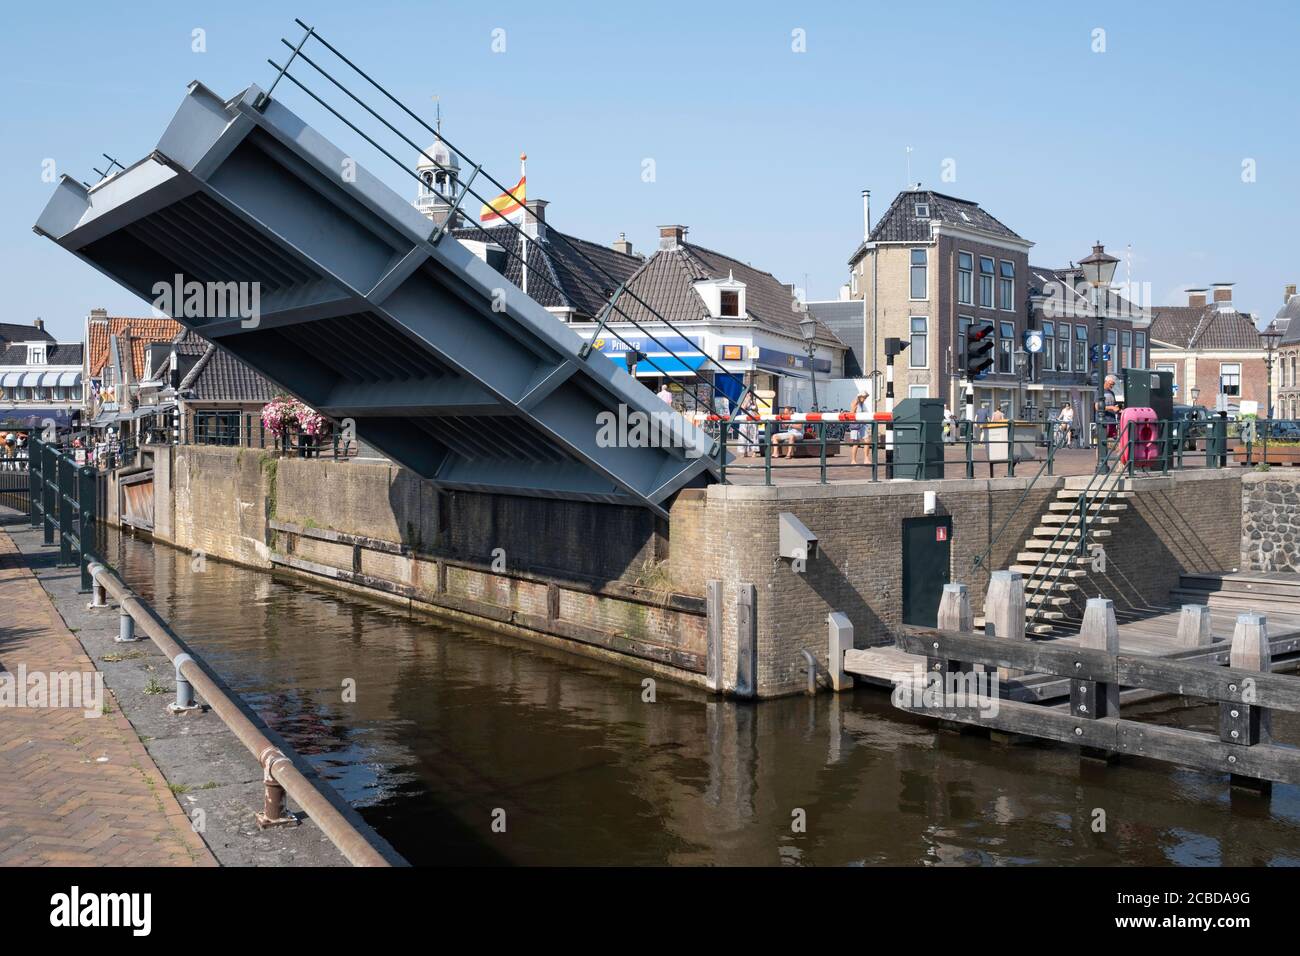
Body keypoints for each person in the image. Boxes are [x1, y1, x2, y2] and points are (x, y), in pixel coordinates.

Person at [849, 391, 869, 464]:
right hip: (856, 425)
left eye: (866, 397)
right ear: (860, 396)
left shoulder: (862, 404)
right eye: (864, 397)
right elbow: (852, 414)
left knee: (867, 440)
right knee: (856, 443)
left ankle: (866, 458)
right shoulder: (855, 402)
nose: (865, 399)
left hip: (862, 424)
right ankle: (853, 460)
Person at [738, 391, 760, 458]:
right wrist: (747, 399)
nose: (750, 394)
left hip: (753, 418)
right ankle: (744, 452)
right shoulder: (743, 399)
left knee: (754, 435)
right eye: (748, 393)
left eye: (750, 393)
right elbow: (743, 408)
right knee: (744, 435)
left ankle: (754, 451)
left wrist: (754, 401)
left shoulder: (753, 400)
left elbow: (756, 409)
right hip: (745, 418)